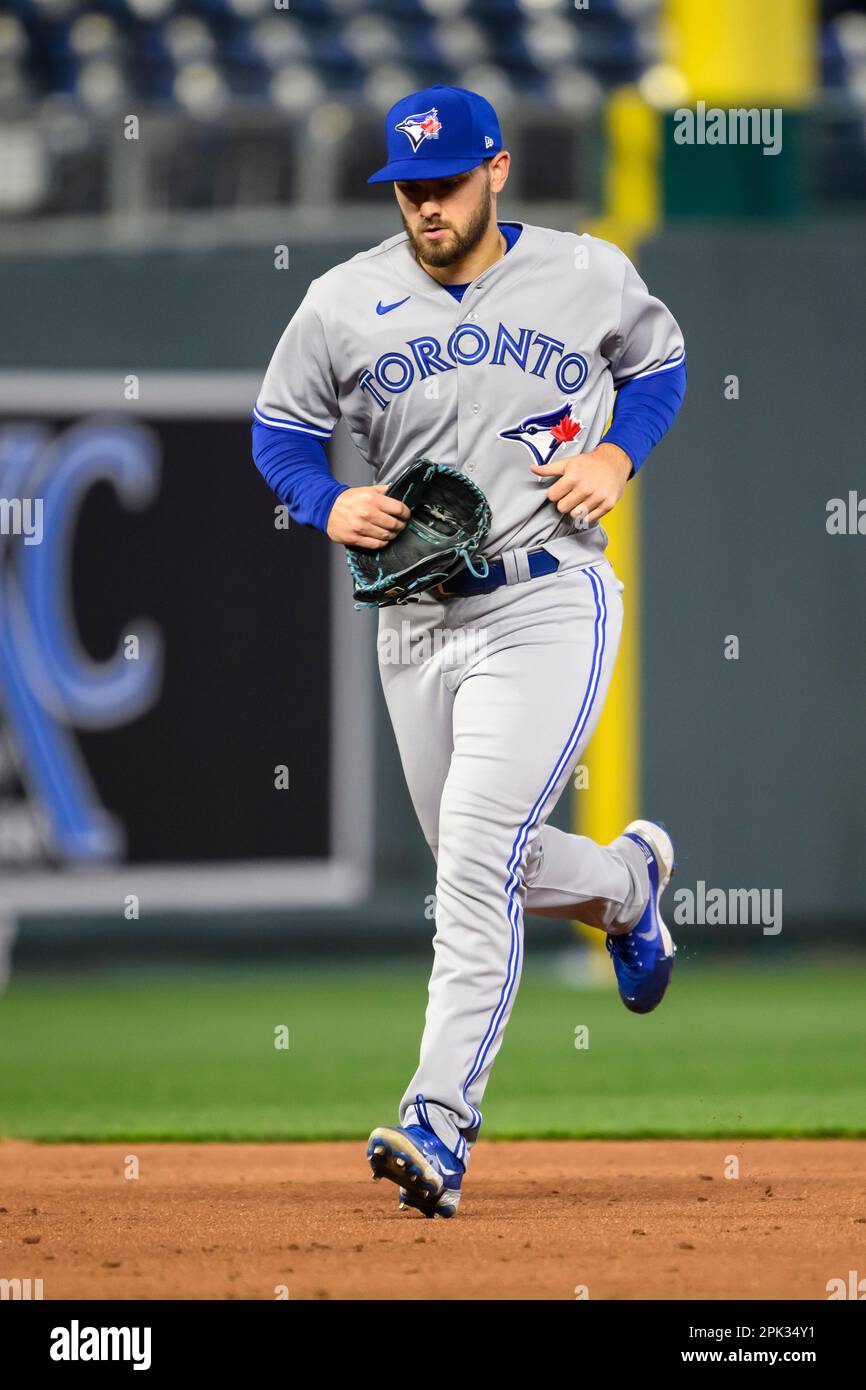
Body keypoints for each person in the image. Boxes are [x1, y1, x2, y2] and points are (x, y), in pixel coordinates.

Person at [253, 85, 686, 1219]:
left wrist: (619, 459)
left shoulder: (584, 272)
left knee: (473, 857)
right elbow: (280, 428)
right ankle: (627, 885)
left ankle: (438, 1122)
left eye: (443, 185)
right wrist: (321, 500)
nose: (424, 206)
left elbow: (659, 364)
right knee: (480, 856)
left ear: (495, 171)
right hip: (414, 619)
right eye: (406, 187)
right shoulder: (343, 299)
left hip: (546, 599)